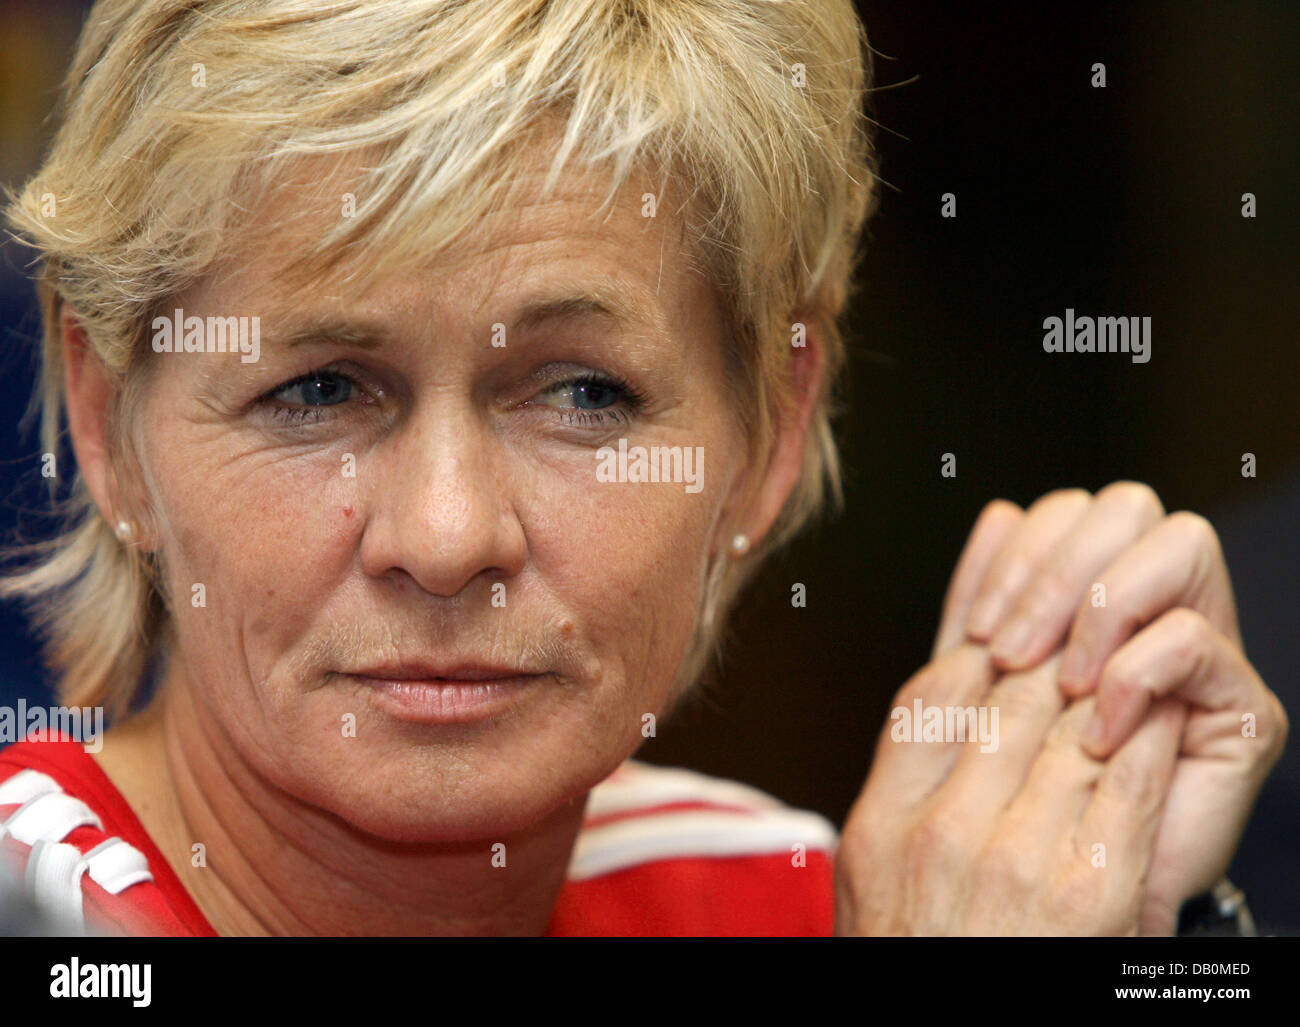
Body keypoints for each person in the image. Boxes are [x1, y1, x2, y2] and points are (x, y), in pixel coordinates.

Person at [0, 0, 1285, 937]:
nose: (446, 536)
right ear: (107, 422)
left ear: (770, 433)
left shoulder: (817, 892)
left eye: (581, 393)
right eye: (319, 390)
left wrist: (1167, 919)